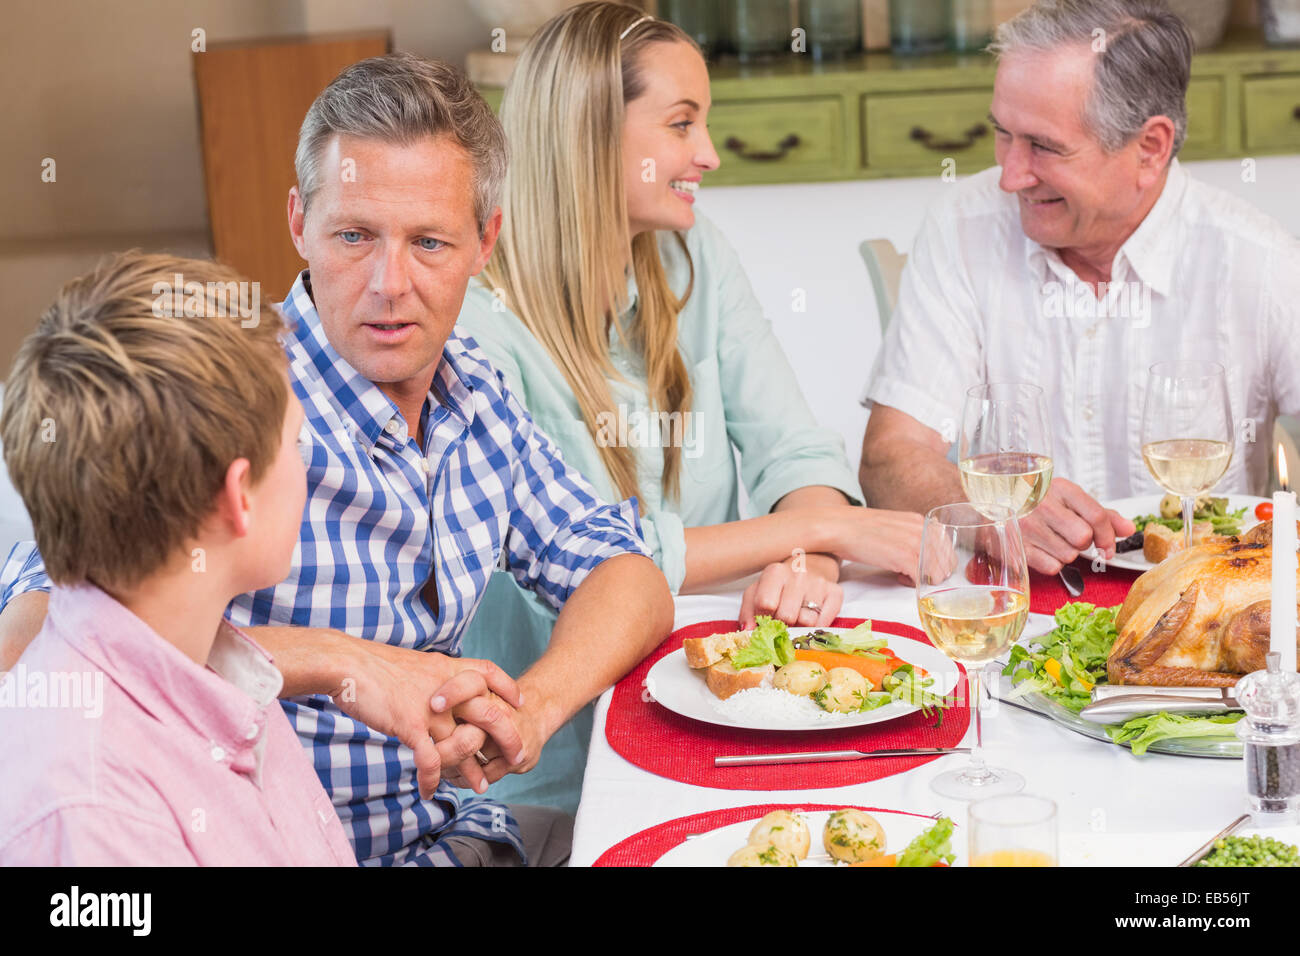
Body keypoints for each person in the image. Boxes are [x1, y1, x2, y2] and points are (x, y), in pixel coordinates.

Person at [0, 53, 674, 867]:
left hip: (462, 831)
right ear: (300, 223)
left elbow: (623, 565)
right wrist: (339, 662)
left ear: (485, 240)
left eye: (428, 241)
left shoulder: (478, 390)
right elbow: (54, 639)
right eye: (354, 235)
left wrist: (531, 709)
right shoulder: (229, 401)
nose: (389, 283)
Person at [456, 2, 925, 811]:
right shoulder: (477, 321)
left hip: (721, 707)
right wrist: (816, 529)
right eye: (680, 125)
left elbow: (796, 454)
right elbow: (599, 562)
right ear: (590, 134)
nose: (706, 154)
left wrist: (802, 576)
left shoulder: (693, 252)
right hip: (551, 767)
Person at [858, 0, 1300, 575]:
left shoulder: (1258, 260)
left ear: (1150, 149)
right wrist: (995, 513)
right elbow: (888, 460)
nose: (1011, 175)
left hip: (1201, 614)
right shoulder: (962, 226)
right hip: (1011, 617)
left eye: (1043, 146)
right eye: (1002, 134)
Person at [0, 252, 355, 865]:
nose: (308, 469)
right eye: (295, 443)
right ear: (238, 496)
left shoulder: (218, 670)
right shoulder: (94, 818)